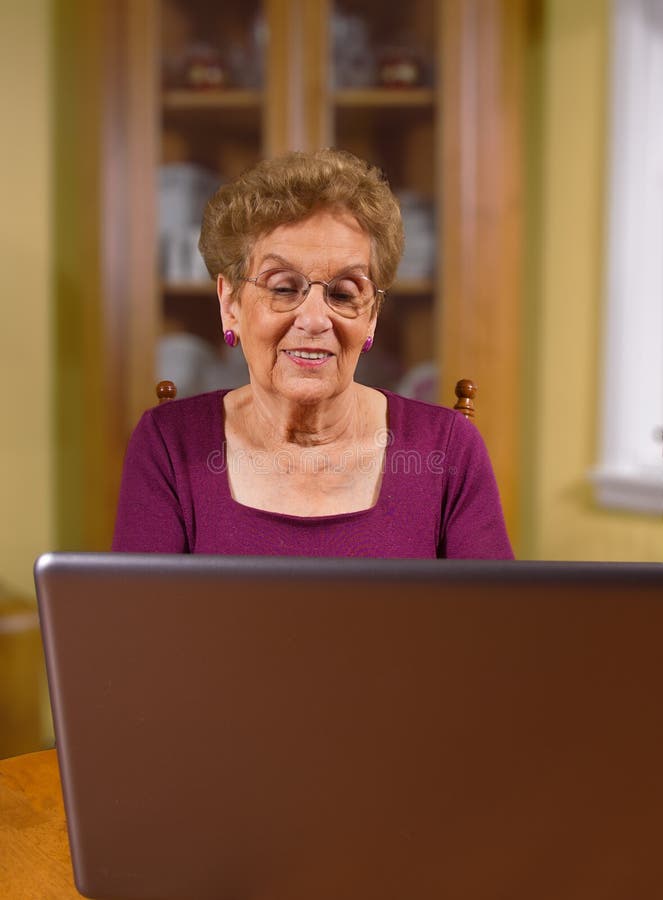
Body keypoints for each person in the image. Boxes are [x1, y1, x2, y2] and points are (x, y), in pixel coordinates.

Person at [113, 148, 512, 558]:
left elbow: (493, 620)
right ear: (230, 304)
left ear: (371, 316)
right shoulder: (168, 445)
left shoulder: (446, 450)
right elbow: (136, 618)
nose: (315, 319)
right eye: (283, 288)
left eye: (343, 293)